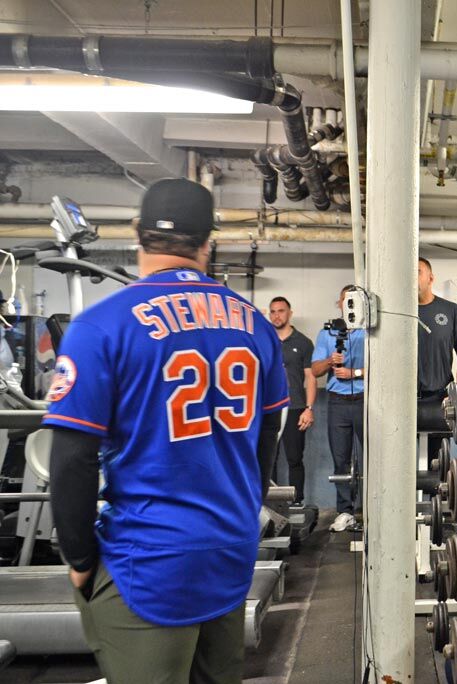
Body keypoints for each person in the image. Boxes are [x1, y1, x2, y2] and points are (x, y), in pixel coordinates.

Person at [46, 177, 289, 684]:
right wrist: (246, 512)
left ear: (137, 232)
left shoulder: (100, 326)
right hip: (230, 547)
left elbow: (71, 459)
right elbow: (270, 432)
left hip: (147, 558)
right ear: (208, 242)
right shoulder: (255, 323)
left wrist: (79, 557)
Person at [312, 286, 366, 533]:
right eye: (345, 301)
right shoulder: (327, 333)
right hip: (337, 401)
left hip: (366, 399)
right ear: (339, 303)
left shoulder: (370, 333)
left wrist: (355, 372)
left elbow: (387, 367)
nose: (348, 305)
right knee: (340, 460)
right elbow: (315, 370)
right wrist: (330, 361)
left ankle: (373, 508)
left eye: (352, 301)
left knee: (373, 459)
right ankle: (345, 511)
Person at [417, 257, 457, 463]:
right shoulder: (397, 312)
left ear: (431, 278)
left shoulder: (451, 311)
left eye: (418, 271)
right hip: (403, 401)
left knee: (438, 469)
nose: (412, 277)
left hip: (439, 400)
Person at [268, 296, 316, 504]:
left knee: (294, 459)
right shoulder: (265, 339)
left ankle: (297, 503)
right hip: (270, 408)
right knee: (269, 459)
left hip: (295, 407)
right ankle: (270, 503)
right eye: (273, 311)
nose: (276, 315)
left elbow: (310, 377)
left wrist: (309, 408)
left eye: (280, 311)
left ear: (290, 313)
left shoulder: (303, 342)